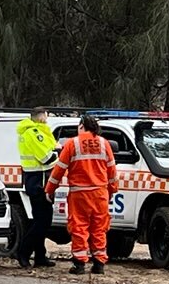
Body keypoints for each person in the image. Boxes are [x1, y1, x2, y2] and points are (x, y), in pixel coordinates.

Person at [46, 112, 119, 275]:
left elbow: (59, 170)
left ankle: (79, 264)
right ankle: (99, 263)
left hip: (79, 194)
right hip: (100, 193)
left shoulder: (72, 144)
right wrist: (112, 190)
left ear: (81, 126)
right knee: (99, 228)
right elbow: (112, 170)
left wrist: (50, 190)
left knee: (79, 227)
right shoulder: (104, 143)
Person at [14, 108, 57, 268]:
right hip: (39, 181)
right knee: (42, 222)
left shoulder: (33, 131)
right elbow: (46, 158)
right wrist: (61, 153)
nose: (47, 119)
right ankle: (23, 252)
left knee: (42, 220)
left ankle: (40, 256)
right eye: (46, 116)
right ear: (40, 117)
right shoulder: (34, 133)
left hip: (37, 180)